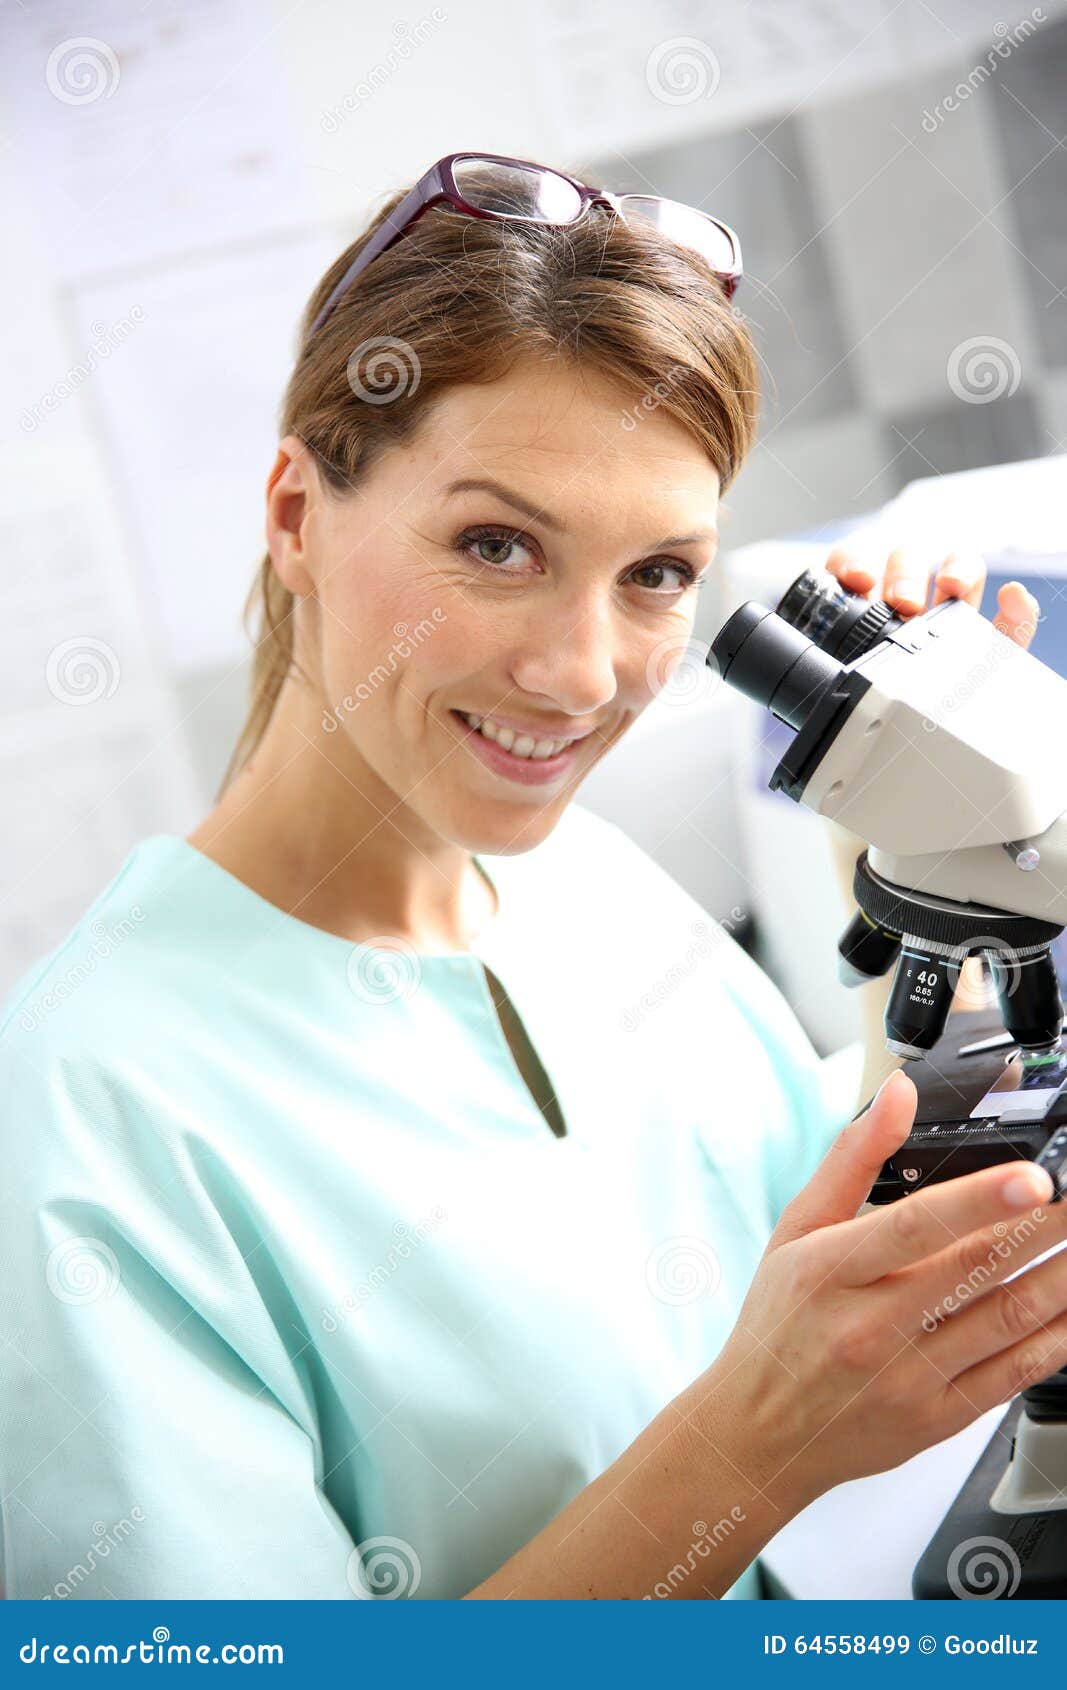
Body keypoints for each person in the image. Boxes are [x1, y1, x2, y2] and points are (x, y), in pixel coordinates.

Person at [2, 152, 1062, 1603]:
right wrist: (753, 1448)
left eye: (657, 575)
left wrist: (928, 869)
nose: (581, 673)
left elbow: (826, 1251)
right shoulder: (80, 1130)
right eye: (496, 545)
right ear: (297, 515)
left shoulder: (589, 886)